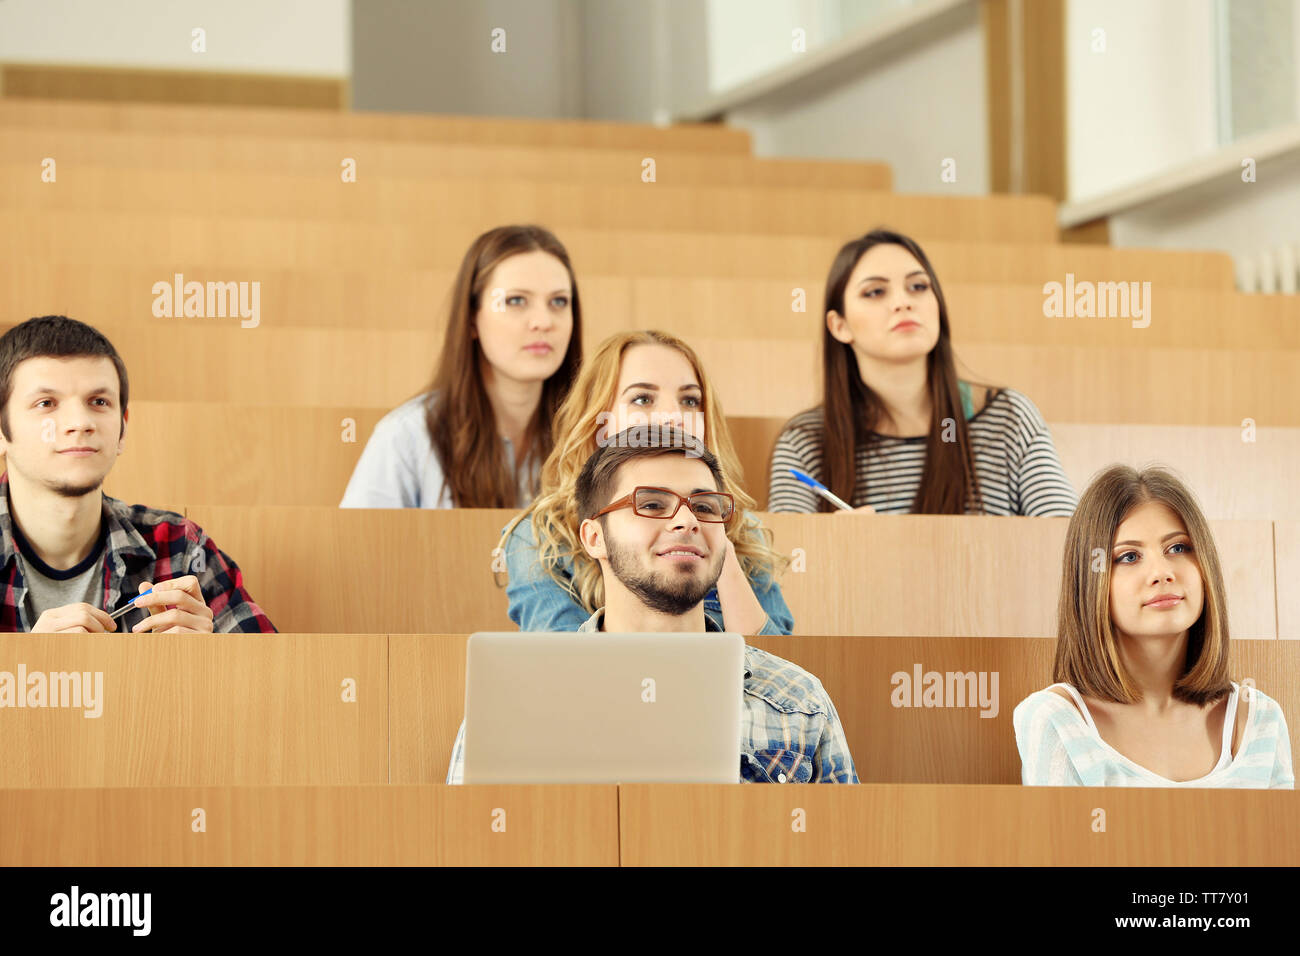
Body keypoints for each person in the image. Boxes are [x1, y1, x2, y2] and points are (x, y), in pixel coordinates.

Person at [449, 428, 856, 784]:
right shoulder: (510, 708)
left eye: (704, 506)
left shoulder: (800, 703)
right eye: (652, 504)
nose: (687, 521)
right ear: (594, 538)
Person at [1014, 465, 1292, 788]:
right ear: (1090, 583)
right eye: (1129, 557)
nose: (1162, 572)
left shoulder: (1261, 720)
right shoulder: (1057, 720)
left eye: (1178, 548)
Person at [768, 228, 1076, 516]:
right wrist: (835, 546)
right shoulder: (805, 441)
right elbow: (783, 569)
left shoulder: (1008, 418)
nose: (903, 302)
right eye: (875, 292)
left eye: (918, 287)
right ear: (840, 326)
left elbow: (1067, 543)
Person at [501, 330, 792, 635]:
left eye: (690, 400)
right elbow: (561, 666)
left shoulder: (744, 528)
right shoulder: (538, 536)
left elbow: (772, 668)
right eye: (642, 399)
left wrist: (719, 547)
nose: (673, 417)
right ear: (597, 420)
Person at [0, 316, 274, 633]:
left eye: (99, 401)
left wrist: (208, 665)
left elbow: (278, 680)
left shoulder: (181, 548)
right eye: (46, 403)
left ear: (122, 427)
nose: (80, 421)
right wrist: (28, 668)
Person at [341, 224, 581, 508]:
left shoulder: (590, 433)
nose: (543, 321)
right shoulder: (406, 435)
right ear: (471, 319)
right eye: (516, 300)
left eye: (559, 301)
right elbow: (363, 549)